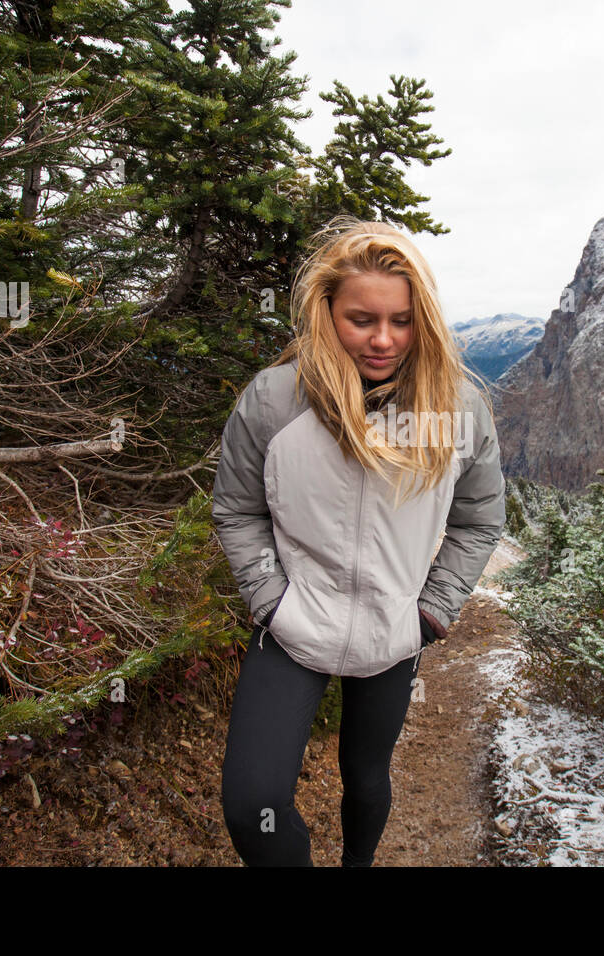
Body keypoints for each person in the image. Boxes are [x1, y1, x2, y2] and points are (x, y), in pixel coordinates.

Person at [211, 215, 506, 866]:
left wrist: (432, 608)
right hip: (293, 630)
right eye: (360, 319)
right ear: (325, 312)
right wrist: (271, 599)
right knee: (251, 805)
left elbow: (480, 517)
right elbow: (236, 509)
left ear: (420, 319)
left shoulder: (457, 409)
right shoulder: (274, 402)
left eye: (400, 321)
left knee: (367, 779)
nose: (382, 339)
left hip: (393, 634)